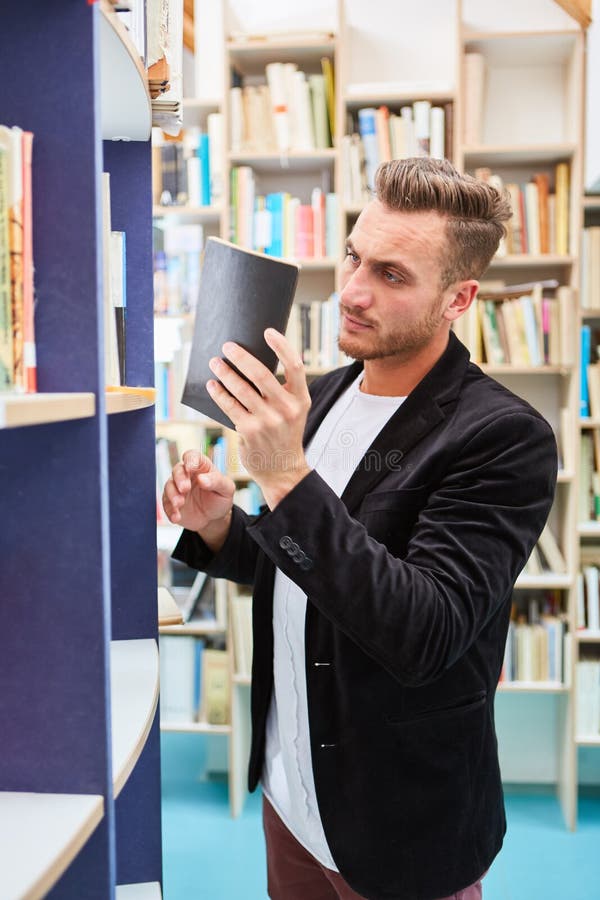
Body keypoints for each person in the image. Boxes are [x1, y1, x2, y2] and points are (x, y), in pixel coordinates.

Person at [162, 157, 558, 900]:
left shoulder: (504, 437)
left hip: (398, 825)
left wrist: (285, 475)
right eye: (353, 256)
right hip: (291, 794)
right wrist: (219, 529)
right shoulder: (324, 395)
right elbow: (306, 567)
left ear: (459, 298)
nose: (351, 290)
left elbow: (425, 632)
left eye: (392, 274)